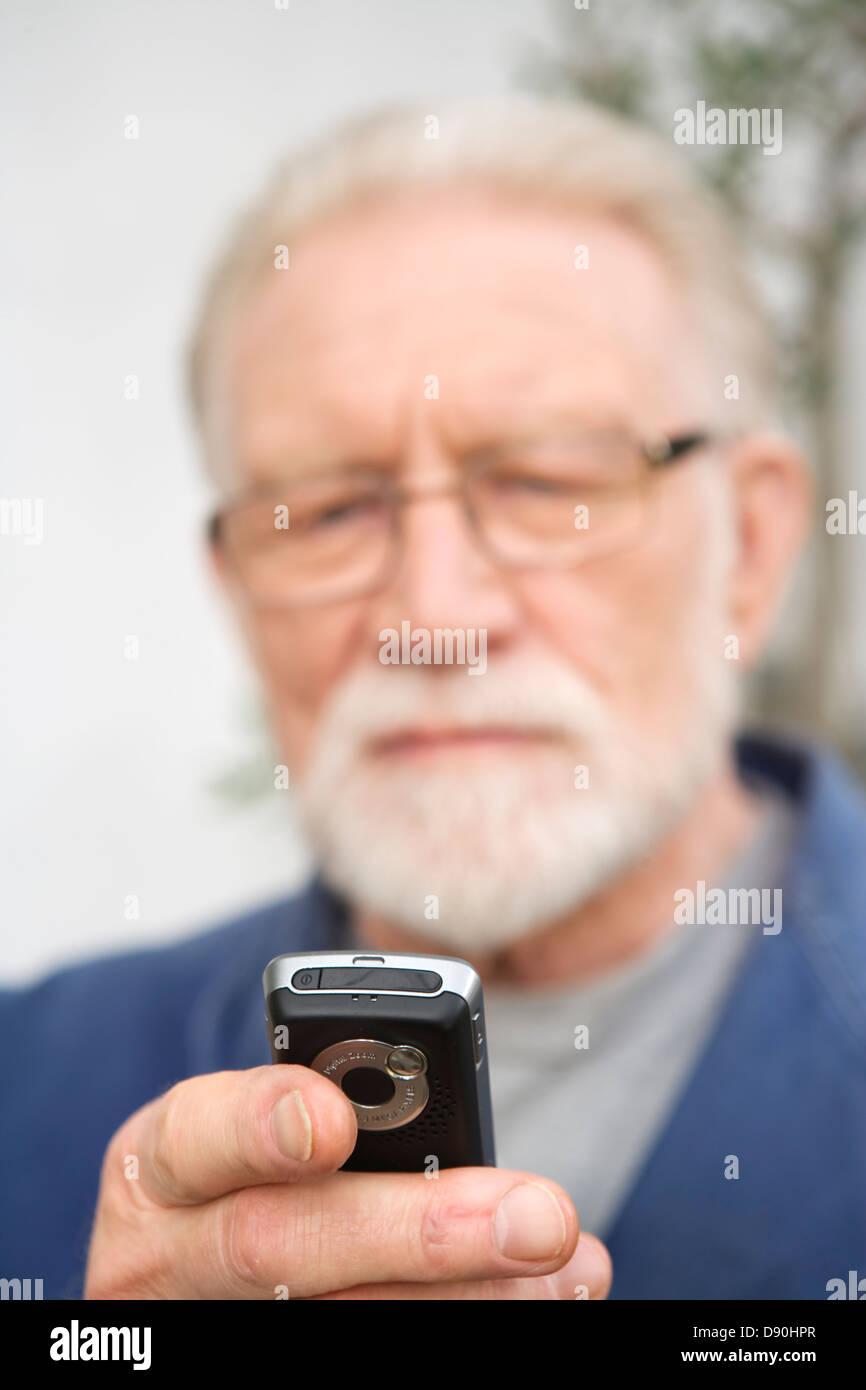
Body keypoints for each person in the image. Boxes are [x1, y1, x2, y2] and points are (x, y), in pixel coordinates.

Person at [3, 94, 864, 1302]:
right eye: (328, 512)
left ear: (757, 544)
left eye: (549, 483)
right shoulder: (25, 1083)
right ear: (241, 589)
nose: (432, 613)